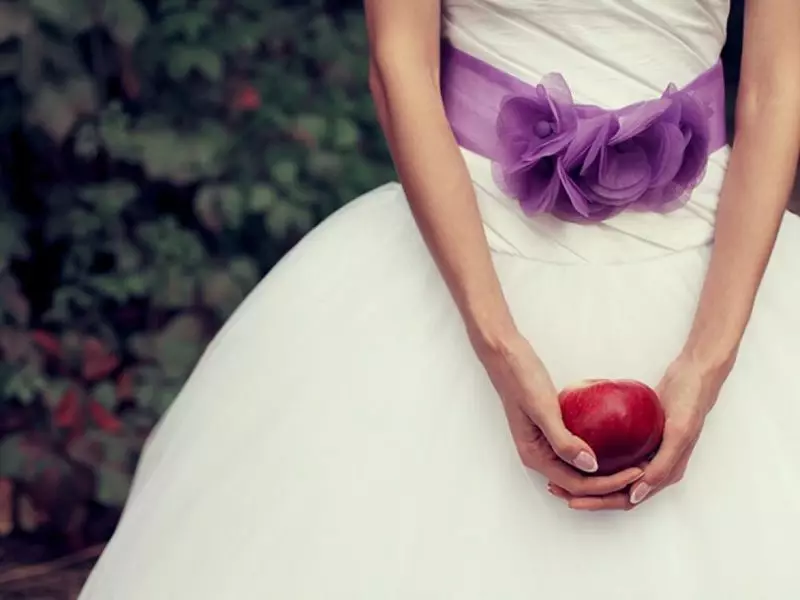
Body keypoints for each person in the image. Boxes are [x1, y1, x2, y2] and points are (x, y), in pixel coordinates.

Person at [79, 1, 800, 598]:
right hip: (463, 253)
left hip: (712, 265)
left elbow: (776, 87)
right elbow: (401, 66)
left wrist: (710, 358)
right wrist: (497, 340)